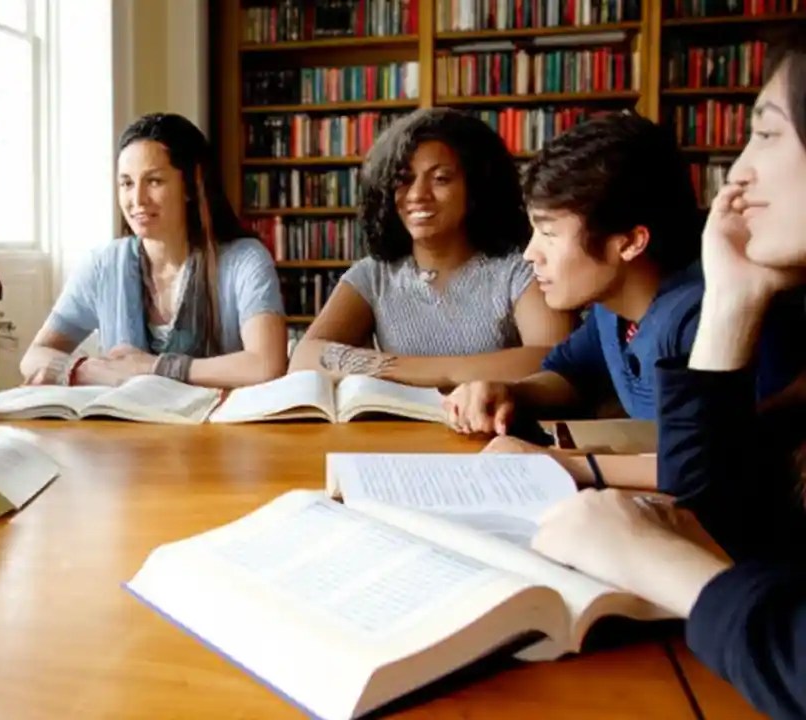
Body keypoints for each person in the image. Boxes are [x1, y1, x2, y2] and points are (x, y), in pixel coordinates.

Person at [532, 34, 806, 718]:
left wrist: (647, 555)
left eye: (767, 134)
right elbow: (713, 503)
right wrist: (735, 297)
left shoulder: (686, 308)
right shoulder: (637, 311)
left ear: (630, 241)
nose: (735, 176)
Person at [446, 111, 804, 489]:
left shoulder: (709, 317)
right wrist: (510, 392)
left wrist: (566, 465)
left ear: (631, 242)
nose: (530, 254)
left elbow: (729, 459)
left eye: (549, 234)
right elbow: (572, 374)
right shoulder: (614, 307)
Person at [287, 108, 574, 388]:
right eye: (403, 180)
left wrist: (398, 370)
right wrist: (416, 371)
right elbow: (305, 356)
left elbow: (552, 360)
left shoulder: (519, 269)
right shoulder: (374, 275)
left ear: (477, 187)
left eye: (440, 179)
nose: (417, 195)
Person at [20, 112, 286, 388]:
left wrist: (155, 367)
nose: (137, 200)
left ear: (191, 184)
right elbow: (34, 356)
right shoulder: (103, 265)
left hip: (217, 415)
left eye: (154, 181)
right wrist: (88, 370)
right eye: (127, 183)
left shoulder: (244, 260)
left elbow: (266, 364)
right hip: (124, 416)